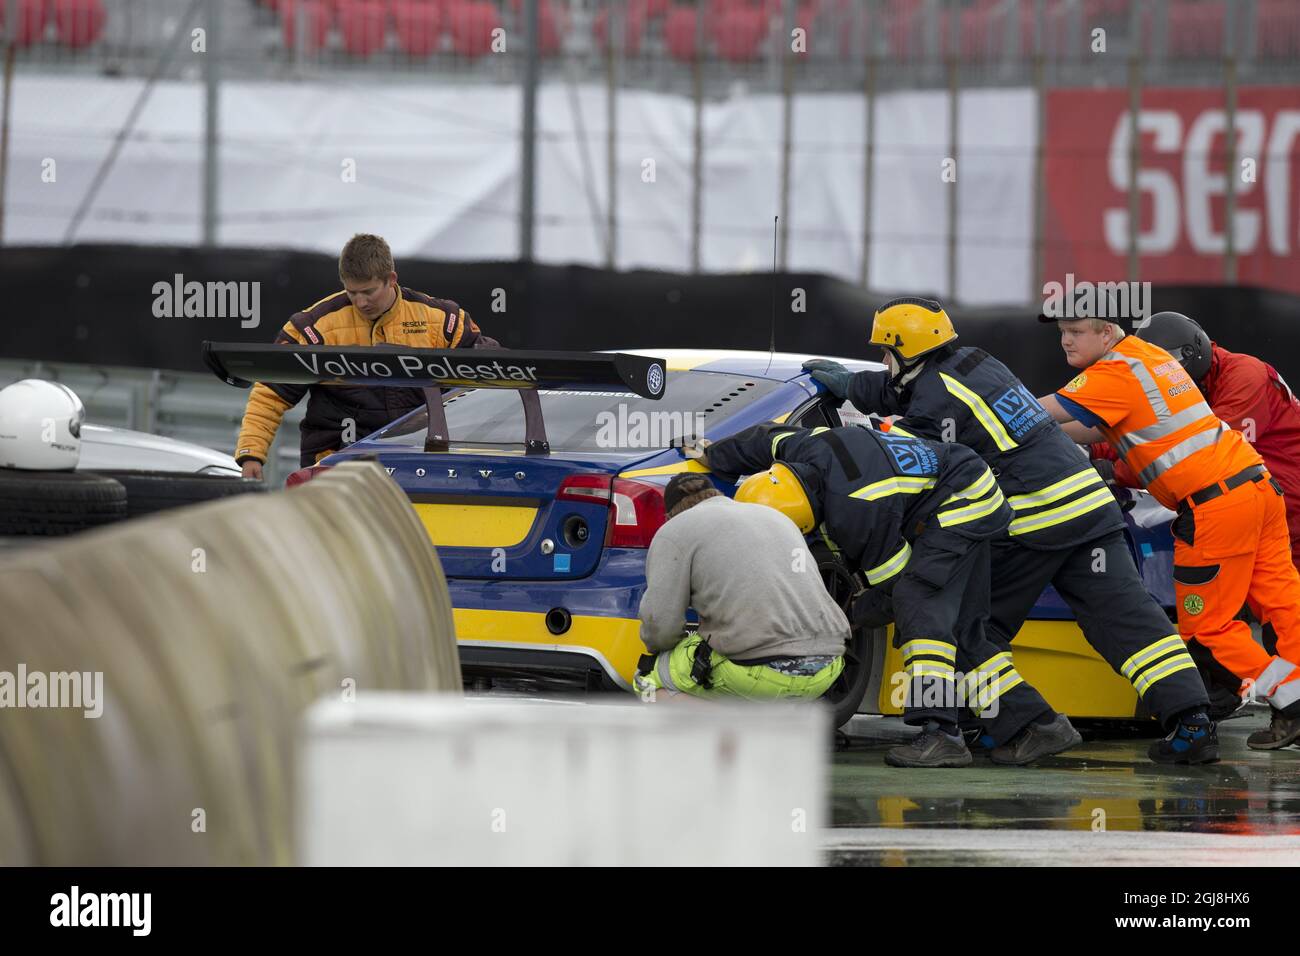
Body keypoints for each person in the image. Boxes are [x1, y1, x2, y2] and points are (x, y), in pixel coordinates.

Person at [803, 297, 1211, 764]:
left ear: (906, 352)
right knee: (1131, 623)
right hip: (1090, 509)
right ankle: (1192, 722)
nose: (882, 361)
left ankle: (1006, 725)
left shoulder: (936, 404)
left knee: (964, 625)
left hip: (1034, 517)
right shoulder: (976, 361)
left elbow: (906, 456)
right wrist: (854, 385)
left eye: (885, 352)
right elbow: (906, 388)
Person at [695, 422, 1077, 768]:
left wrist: (854, 613)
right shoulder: (803, 447)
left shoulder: (857, 512)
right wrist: (712, 454)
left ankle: (940, 732)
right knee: (962, 632)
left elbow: (895, 588)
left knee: (919, 607)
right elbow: (762, 437)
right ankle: (1037, 724)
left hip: (963, 504)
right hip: (969, 489)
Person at [1038, 314, 1300, 752]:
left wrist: (984, 409)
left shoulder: (1118, 369)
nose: (1066, 342)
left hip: (1219, 504)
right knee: (1284, 605)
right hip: (1260, 489)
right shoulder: (1151, 361)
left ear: (1107, 333)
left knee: (1207, 630)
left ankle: (1290, 703)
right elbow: (1113, 427)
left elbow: (1041, 413)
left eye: (1076, 332)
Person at [234, 233, 488, 475]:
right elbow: (270, 393)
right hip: (334, 462)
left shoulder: (443, 321)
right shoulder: (314, 327)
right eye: (352, 292)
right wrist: (251, 453)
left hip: (419, 461)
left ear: (391, 279)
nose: (361, 302)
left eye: (368, 292)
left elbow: (492, 371)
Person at [632, 473, 849, 705]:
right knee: (724, 661)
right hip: (828, 667)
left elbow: (660, 627)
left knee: (645, 679)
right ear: (717, 495)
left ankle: (729, 730)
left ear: (669, 515)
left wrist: (665, 649)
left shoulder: (675, 529)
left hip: (758, 673)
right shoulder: (777, 517)